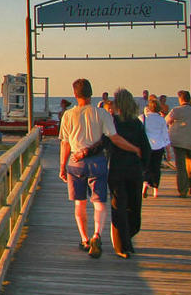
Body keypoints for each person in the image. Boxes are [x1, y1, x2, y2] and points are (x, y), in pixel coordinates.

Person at [59, 78, 141, 259]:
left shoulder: (68, 115)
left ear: (75, 94)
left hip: (75, 162)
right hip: (97, 162)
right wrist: (135, 148)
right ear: (91, 93)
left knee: (79, 203)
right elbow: (114, 138)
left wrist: (62, 166)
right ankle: (97, 235)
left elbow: (65, 143)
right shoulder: (102, 114)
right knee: (99, 202)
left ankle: (84, 239)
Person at [105, 89, 149, 258]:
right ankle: (122, 245)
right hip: (129, 170)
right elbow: (146, 148)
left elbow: (104, 142)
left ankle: (124, 241)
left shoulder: (116, 123)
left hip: (121, 169)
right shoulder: (133, 123)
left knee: (124, 208)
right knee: (127, 208)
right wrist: (145, 167)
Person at [167, 90, 191, 197]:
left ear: (180, 99)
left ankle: (183, 190)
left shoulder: (176, 110)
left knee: (181, 166)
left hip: (179, 142)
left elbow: (166, 121)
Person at [140, 96, 170, 199]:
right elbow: (165, 135)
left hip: (146, 146)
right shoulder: (161, 120)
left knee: (146, 167)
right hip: (158, 146)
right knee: (156, 168)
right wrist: (169, 151)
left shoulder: (143, 118)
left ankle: (145, 185)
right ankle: (155, 190)